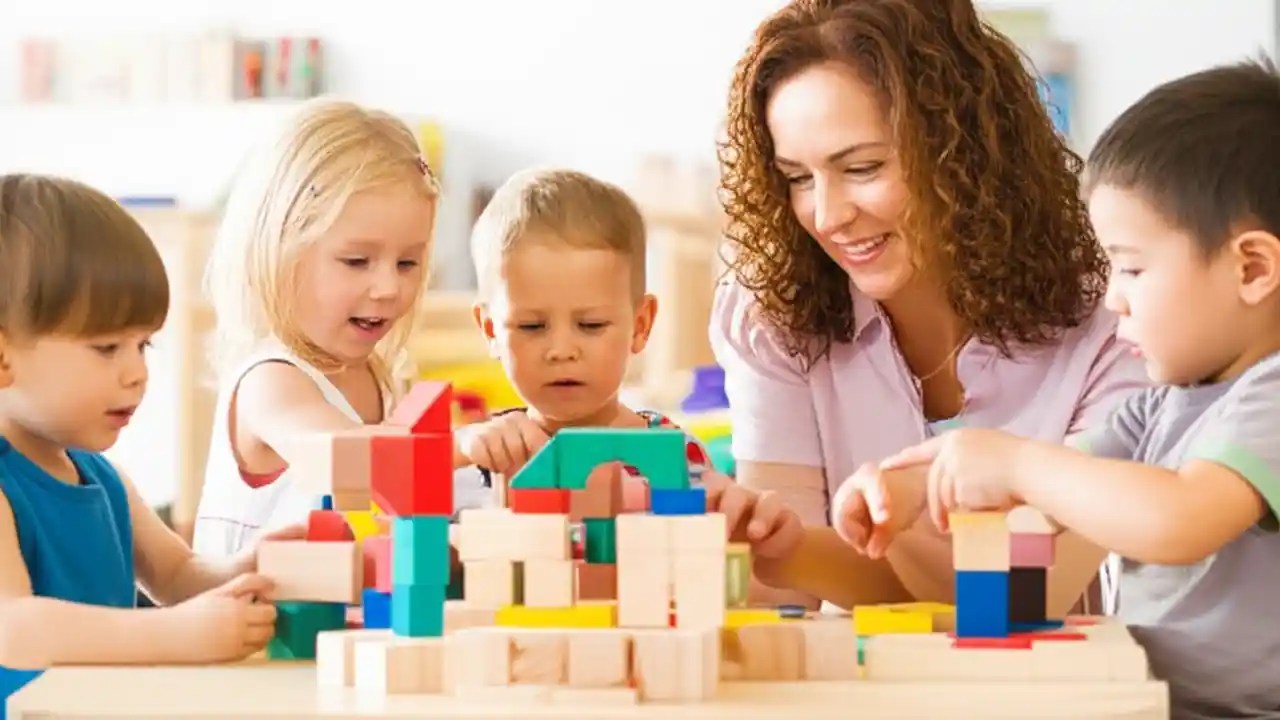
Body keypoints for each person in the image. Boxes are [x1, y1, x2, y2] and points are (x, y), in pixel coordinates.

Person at [708, 0, 1148, 610]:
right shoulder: (775, 317)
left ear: (961, 150)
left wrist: (901, 509)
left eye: (862, 168)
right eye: (799, 179)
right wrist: (763, 540)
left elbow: (1029, 590)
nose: (829, 216)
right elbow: (778, 599)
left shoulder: (1117, 319)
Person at [875, 59, 1280, 720]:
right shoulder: (1166, 405)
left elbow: (1177, 520)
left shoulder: (1271, 395)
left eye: (1132, 268)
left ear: (1253, 268)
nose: (1113, 298)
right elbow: (1045, 487)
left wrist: (1017, 463)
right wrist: (913, 487)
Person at [0, 175, 294, 715]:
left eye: (143, 344)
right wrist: (177, 633)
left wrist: (255, 566)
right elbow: (12, 628)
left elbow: (179, 577)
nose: (137, 372)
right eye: (107, 347)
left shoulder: (100, 476)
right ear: (3, 359)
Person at [193, 99, 444, 556]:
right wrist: (459, 449)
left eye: (408, 262)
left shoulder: (381, 379)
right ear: (279, 251)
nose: (389, 287)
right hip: (257, 624)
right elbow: (342, 457)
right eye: (356, 261)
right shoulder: (270, 380)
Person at [452, 168, 715, 489]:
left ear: (640, 325)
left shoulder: (675, 456)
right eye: (532, 326)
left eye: (591, 325)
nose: (562, 350)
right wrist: (457, 447)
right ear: (491, 330)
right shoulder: (487, 451)